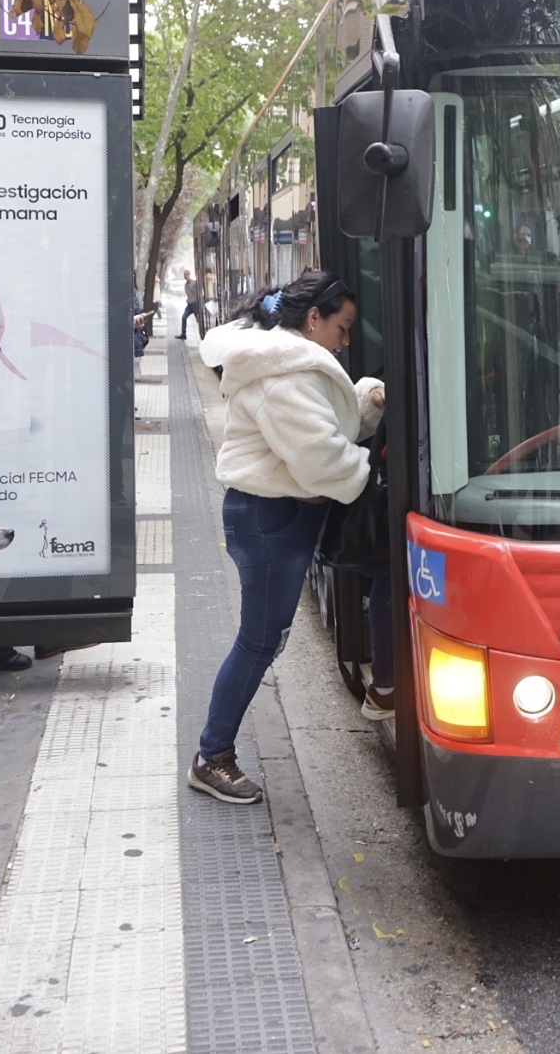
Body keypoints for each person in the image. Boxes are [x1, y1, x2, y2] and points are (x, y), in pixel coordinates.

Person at [190, 269, 384, 804]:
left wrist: (365, 399)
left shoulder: (293, 364)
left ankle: (385, 686)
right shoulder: (286, 375)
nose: (347, 340)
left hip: (280, 514)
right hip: (269, 517)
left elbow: (325, 432)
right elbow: (322, 459)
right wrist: (367, 476)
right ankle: (212, 756)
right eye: (342, 328)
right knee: (260, 639)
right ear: (313, 318)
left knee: (271, 633)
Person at [177, 269, 203, 340]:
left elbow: (198, 293)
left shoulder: (194, 283)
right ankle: (183, 334)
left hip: (195, 304)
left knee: (198, 320)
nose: (186, 276)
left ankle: (203, 333)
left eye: (187, 274)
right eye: (184, 274)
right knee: (184, 318)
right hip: (189, 305)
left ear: (190, 274)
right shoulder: (186, 285)